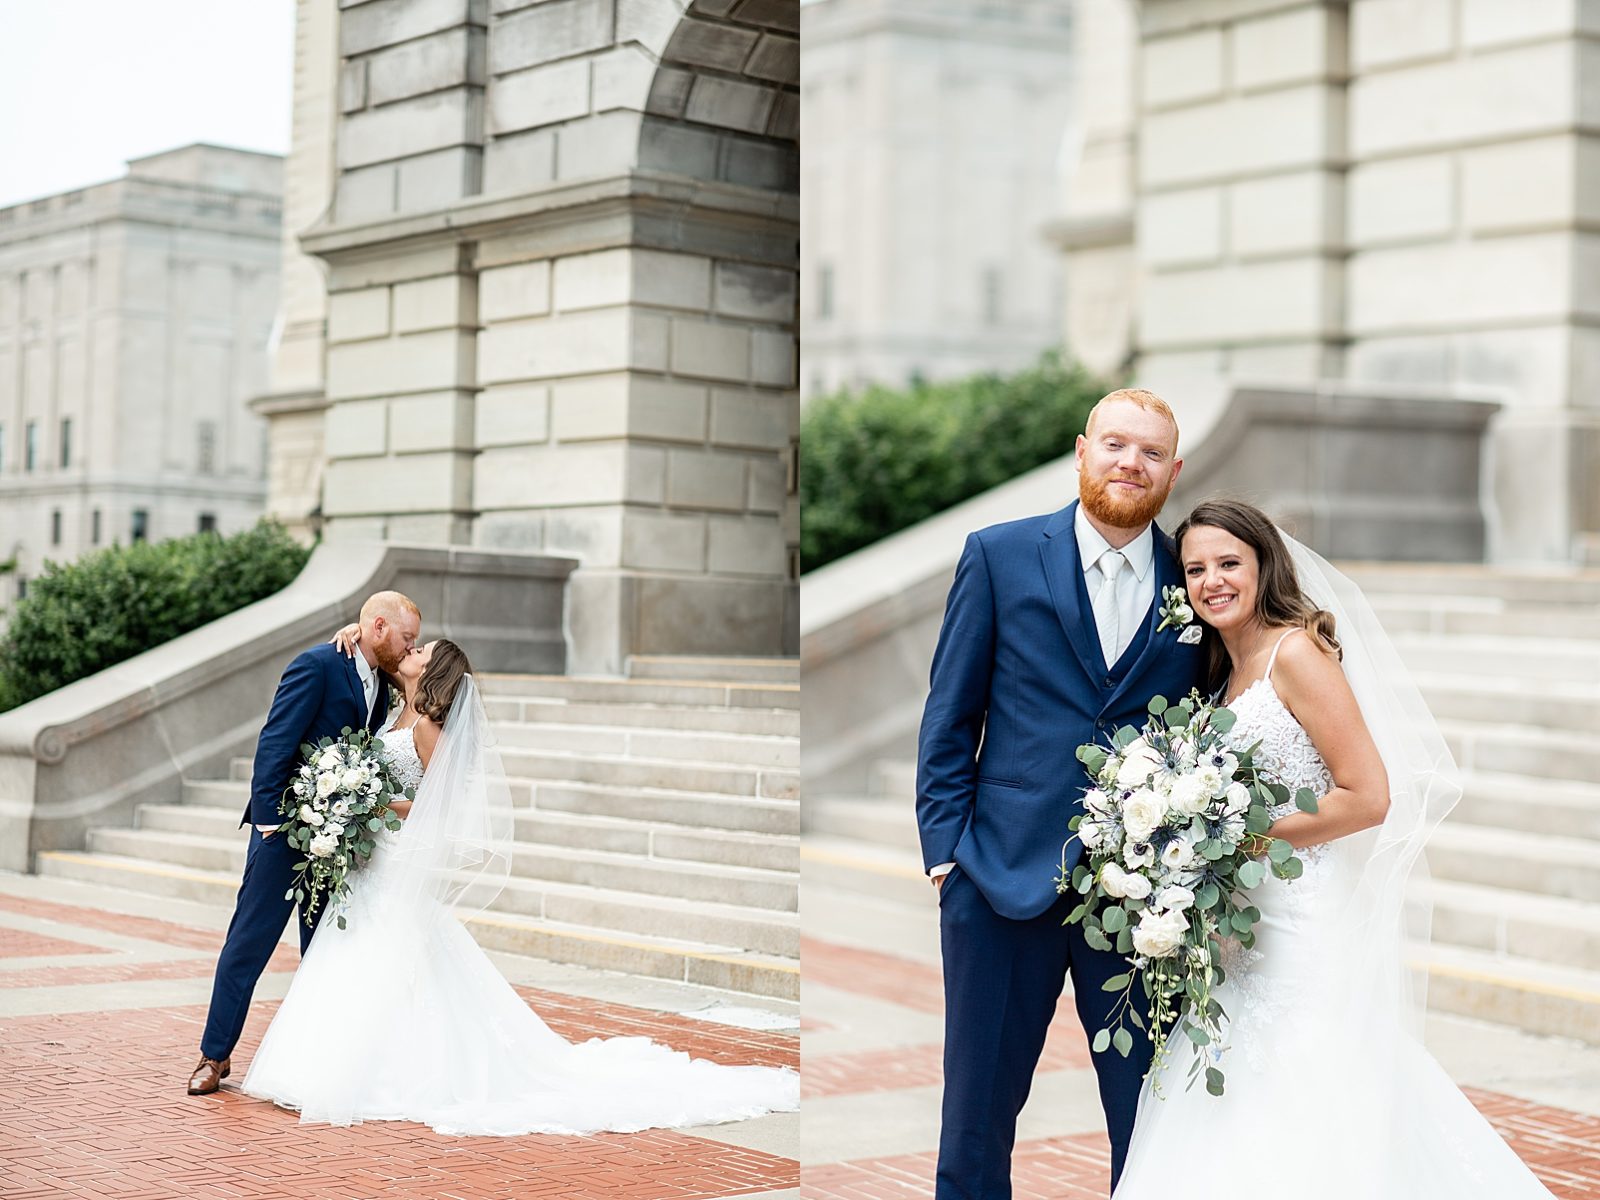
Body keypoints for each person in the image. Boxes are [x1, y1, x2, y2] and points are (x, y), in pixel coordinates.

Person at [1113, 498, 1555, 1199]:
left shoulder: (1297, 652)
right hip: (1240, 930)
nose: (1212, 580)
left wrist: (1247, 836)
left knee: (1316, 1084)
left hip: (1298, 921)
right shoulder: (1220, 673)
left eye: (1229, 563)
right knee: (1235, 1101)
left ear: (1264, 566)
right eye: (1196, 569)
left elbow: (1368, 794)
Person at [239, 635, 799, 1135]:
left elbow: (442, 808)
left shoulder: (431, 728)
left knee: (391, 953)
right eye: (411, 646)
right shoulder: (389, 710)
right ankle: (325, 1061)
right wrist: (355, 632)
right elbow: (371, 652)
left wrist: (372, 803)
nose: (410, 653)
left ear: (437, 673)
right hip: (371, 856)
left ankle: (382, 1073)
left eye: (421, 651)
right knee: (360, 952)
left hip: (392, 851)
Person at [916, 388, 1205, 1196]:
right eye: (1116, 444)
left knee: (1152, 1123)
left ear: (1173, 470)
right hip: (1000, 879)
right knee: (975, 1122)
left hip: (1148, 902)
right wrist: (947, 859)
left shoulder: (1197, 575)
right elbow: (949, 717)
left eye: (1150, 453)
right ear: (1082, 450)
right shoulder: (998, 555)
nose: (1130, 463)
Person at [188, 592, 419, 1096]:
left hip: (339, 841)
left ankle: (316, 1061)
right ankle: (214, 1055)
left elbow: (425, 682)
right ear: (379, 626)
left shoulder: (384, 679)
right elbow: (275, 741)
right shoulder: (315, 665)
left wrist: (360, 635)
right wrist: (269, 821)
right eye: (406, 638)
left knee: (322, 951)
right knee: (249, 943)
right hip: (285, 831)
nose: (410, 648)